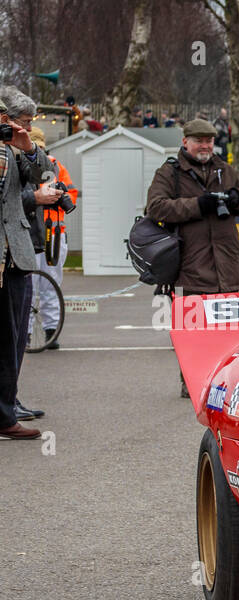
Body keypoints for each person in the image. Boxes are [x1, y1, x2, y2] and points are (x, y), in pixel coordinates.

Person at [1, 90, 58, 437]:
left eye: (6, 120)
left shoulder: (13, 147)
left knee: (14, 337)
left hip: (16, 254)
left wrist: (30, 148)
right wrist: (32, 198)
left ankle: (6, 411)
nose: (6, 126)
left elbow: (45, 174)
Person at [146, 118, 239, 297]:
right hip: (189, 272)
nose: (205, 146)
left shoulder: (225, 170)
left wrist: (237, 198)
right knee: (193, 325)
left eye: (209, 141)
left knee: (228, 325)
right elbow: (155, 208)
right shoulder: (170, 172)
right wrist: (199, 205)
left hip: (228, 271)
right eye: (199, 141)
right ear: (185, 142)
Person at [27, 126, 77, 351]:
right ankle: (25, 331)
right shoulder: (22, 166)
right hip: (29, 231)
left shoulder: (56, 166)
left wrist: (59, 197)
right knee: (29, 284)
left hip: (53, 232)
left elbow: (71, 196)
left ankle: (50, 329)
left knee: (51, 282)